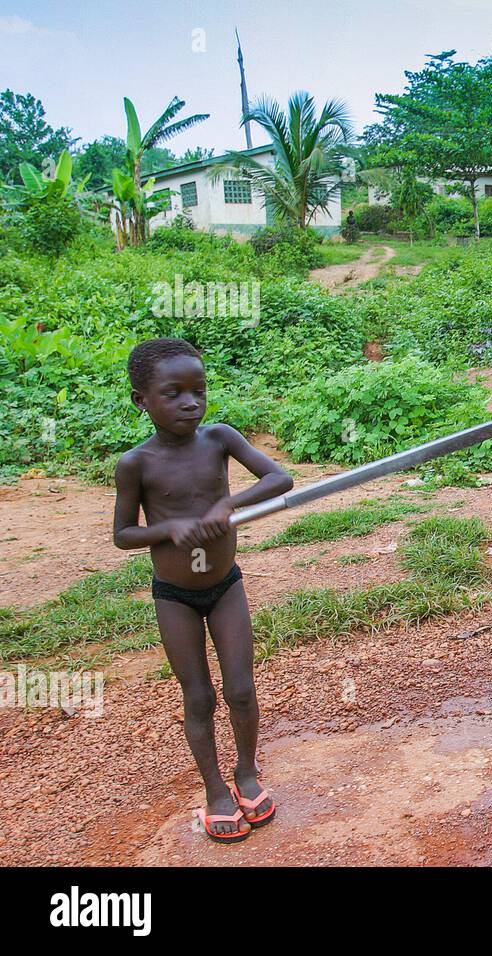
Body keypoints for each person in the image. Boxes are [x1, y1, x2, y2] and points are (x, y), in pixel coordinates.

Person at [113, 338, 293, 842]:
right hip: (175, 596)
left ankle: (247, 774)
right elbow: (123, 534)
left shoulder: (219, 439)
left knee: (240, 688)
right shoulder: (137, 464)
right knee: (199, 697)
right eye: (174, 393)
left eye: (199, 390)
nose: (191, 402)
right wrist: (167, 530)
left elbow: (279, 478)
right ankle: (215, 789)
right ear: (141, 400)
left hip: (225, 586)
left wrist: (226, 505)